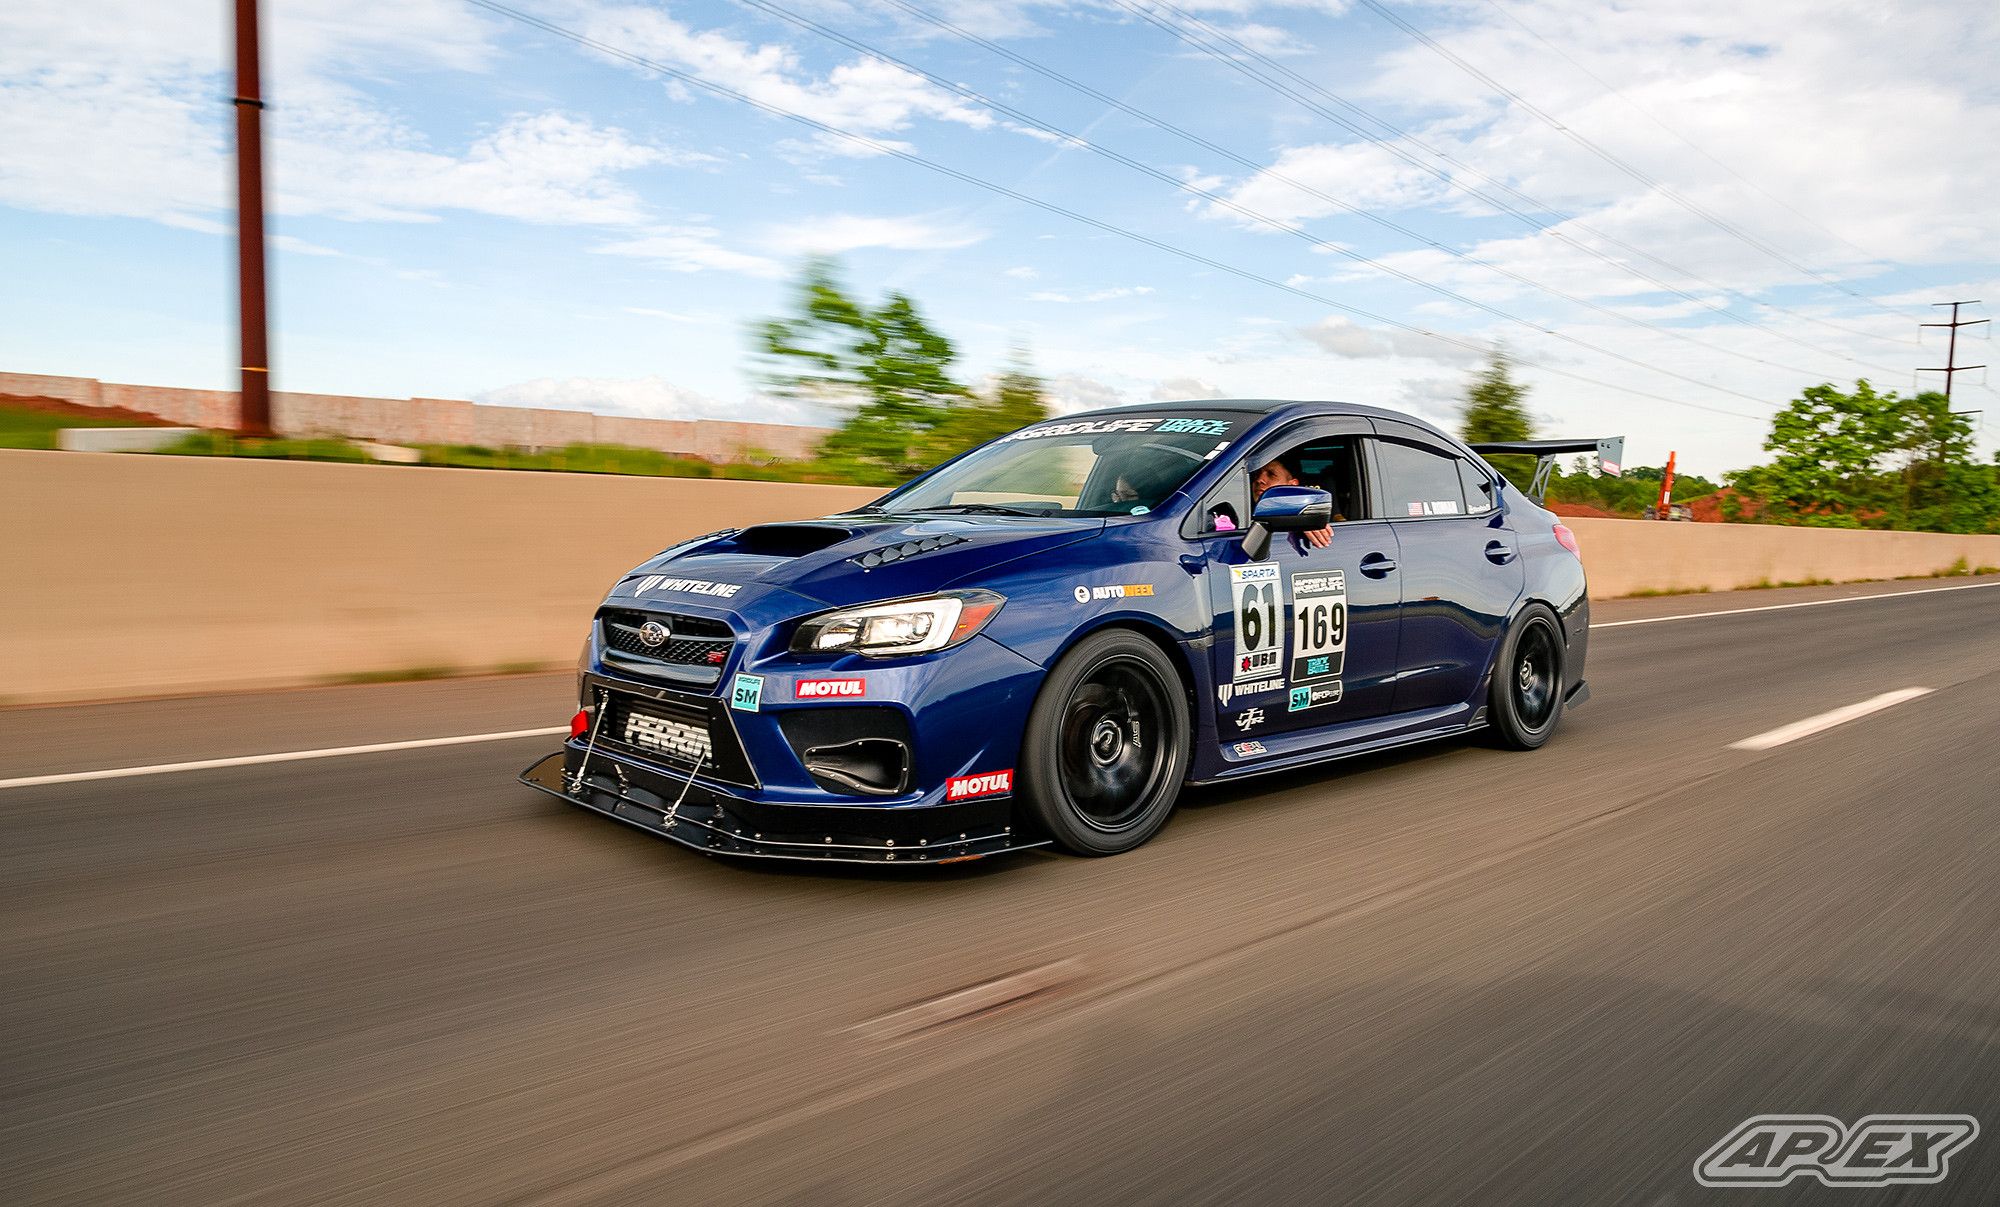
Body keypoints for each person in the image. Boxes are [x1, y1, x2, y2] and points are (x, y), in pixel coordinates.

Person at [1249, 456, 1334, 548]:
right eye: (1257, 475)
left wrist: (1304, 522)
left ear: (1292, 485)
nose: (1259, 480)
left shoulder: (1304, 519)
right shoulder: (1240, 511)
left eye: (1271, 474)